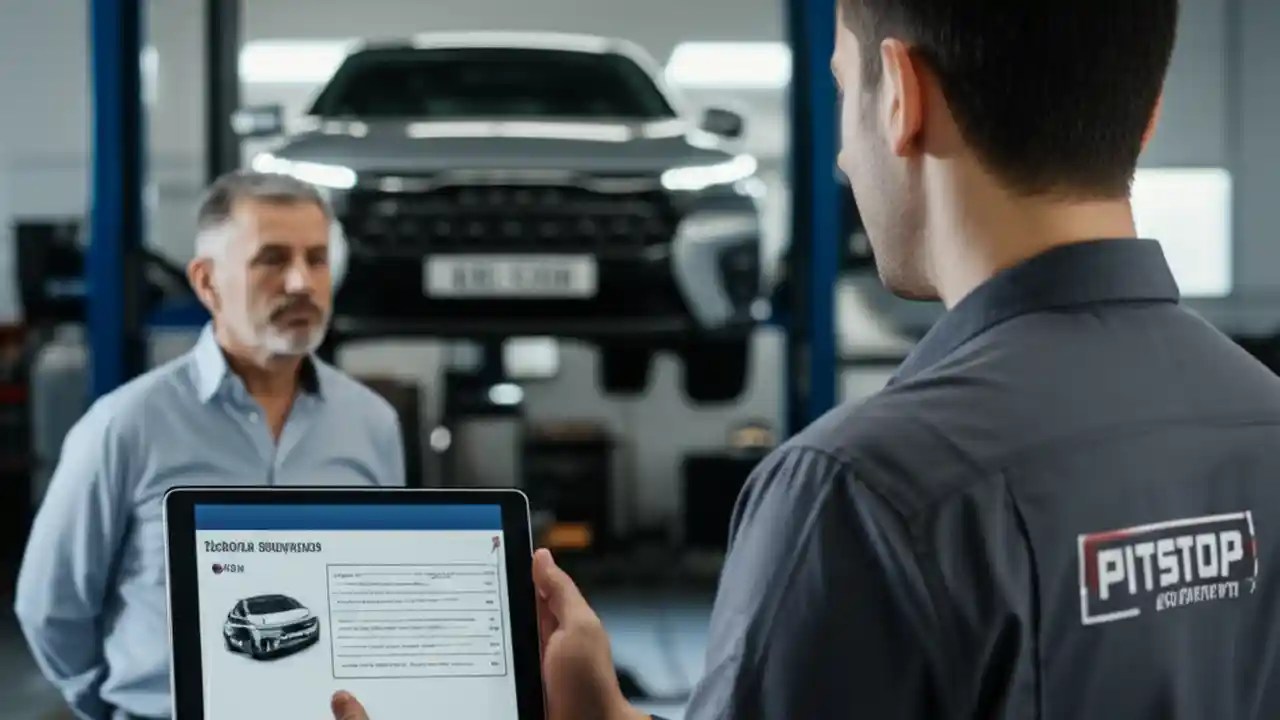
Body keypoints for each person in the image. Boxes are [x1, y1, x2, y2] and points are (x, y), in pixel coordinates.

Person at [335, 0, 1280, 714]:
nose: (840, 159)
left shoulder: (863, 492)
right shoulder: (1262, 419)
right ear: (1147, 114)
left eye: (840, 90)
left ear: (902, 96)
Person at [15, 171, 407, 720]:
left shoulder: (371, 423)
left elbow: (378, 592)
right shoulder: (124, 426)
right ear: (207, 282)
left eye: (316, 259)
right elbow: (51, 608)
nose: (301, 282)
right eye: (272, 259)